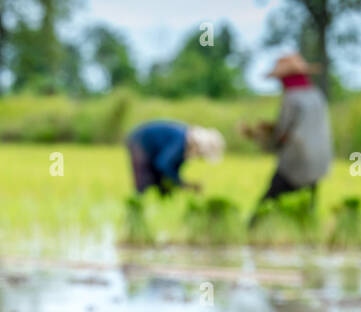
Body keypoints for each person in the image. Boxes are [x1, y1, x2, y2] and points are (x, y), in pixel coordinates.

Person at [243, 52, 331, 222]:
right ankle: (308, 233)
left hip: (296, 158)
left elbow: (283, 131)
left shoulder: (291, 97)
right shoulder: (317, 95)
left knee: (271, 196)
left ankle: (252, 227)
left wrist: (263, 136)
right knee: (307, 202)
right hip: (320, 157)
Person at [124, 121, 224, 195]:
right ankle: (134, 212)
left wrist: (180, 183)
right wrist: (184, 185)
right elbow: (162, 165)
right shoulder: (180, 142)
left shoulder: (185, 148)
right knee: (144, 182)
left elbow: (173, 171)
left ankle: (162, 211)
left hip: (153, 152)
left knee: (165, 185)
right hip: (140, 142)